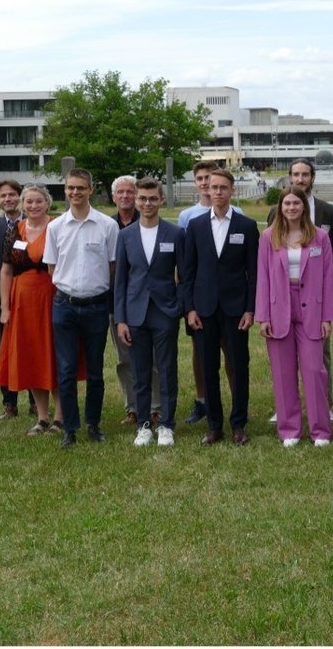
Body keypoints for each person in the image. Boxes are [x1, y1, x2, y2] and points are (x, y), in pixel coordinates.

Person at [43, 167, 119, 447]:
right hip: (64, 305)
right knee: (66, 370)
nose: (75, 193)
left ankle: (94, 424)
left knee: (96, 371)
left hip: (96, 307)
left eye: (80, 188)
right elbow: (52, 268)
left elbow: (112, 267)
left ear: (91, 189)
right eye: (70, 188)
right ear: (65, 190)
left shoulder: (107, 226)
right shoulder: (55, 227)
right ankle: (69, 428)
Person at [182, 169, 258, 446]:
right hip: (203, 309)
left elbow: (254, 273)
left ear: (232, 191)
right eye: (213, 187)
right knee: (208, 366)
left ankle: (238, 423)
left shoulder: (246, 226)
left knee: (239, 366)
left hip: (236, 309)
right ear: (207, 190)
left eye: (223, 188)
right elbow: (187, 272)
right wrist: (189, 308)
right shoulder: (196, 226)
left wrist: (250, 309)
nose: (217, 192)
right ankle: (214, 426)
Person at [257, 188, 333, 447]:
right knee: (283, 372)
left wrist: (327, 316)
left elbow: (327, 278)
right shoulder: (269, 237)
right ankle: (290, 430)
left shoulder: (320, 238)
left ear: (304, 207)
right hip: (279, 307)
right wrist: (263, 315)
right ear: (280, 207)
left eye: (296, 203)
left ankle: (320, 430)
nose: (291, 207)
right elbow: (263, 278)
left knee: (315, 370)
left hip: (311, 309)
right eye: (286, 203)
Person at [266, 158, 333, 419]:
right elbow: (269, 266)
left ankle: (324, 405)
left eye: (305, 174)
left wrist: (328, 308)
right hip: (283, 299)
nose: (300, 179)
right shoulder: (274, 219)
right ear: (289, 177)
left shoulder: (327, 212)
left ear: (313, 177)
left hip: (315, 298)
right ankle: (286, 408)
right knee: (283, 362)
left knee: (319, 358)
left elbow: (331, 262)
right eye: (295, 174)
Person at [114, 178, 185, 448]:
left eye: (152, 198)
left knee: (167, 369)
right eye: (142, 199)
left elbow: (184, 275)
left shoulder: (175, 234)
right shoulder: (125, 235)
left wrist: (178, 307)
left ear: (161, 200)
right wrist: (120, 318)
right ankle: (144, 424)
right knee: (140, 371)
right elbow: (120, 281)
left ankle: (166, 424)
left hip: (165, 312)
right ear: (136, 200)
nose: (147, 203)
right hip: (134, 314)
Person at [0, 183, 67, 435]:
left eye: (38, 201)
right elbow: (6, 270)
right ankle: (42, 417)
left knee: (53, 356)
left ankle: (60, 416)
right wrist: (5, 307)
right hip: (22, 302)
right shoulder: (16, 229)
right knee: (32, 356)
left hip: (51, 298)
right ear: (23, 205)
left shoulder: (59, 226)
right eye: (29, 202)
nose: (33, 206)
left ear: (47, 202)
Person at [177, 160, 242, 426]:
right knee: (201, 352)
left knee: (232, 353)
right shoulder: (187, 217)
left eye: (210, 179)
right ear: (196, 183)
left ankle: (238, 401)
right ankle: (203, 401)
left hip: (229, 299)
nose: (207, 184)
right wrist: (188, 302)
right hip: (201, 298)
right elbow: (186, 263)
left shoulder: (237, 214)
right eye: (201, 179)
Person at [109, 174, 160, 427]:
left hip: (152, 304)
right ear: (114, 197)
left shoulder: (152, 221)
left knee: (153, 359)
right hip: (121, 304)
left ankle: (154, 408)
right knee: (125, 359)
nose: (126, 196)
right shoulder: (108, 227)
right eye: (122, 192)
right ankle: (132, 408)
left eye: (131, 192)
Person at [0, 178, 27, 420]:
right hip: (0, 300)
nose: (7, 199)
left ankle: (35, 399)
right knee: (5, 350)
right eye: (3, 196)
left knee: (31, 346)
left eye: (11, 195)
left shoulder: (33, 224)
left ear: (19, 197)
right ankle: (9, 403)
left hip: (28, 296)